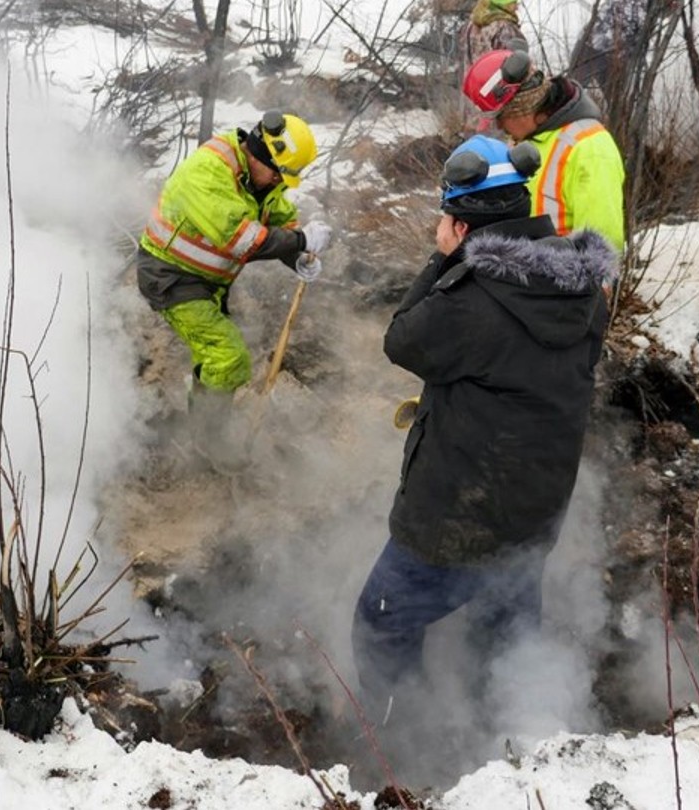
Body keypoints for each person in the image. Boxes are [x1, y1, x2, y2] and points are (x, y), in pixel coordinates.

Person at [352, 134, 616, 716]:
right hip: (536, 507)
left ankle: (396, 738)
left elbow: (402, 340)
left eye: (447, 223)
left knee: (381, 621)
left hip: (460, 515)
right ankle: (508, 736)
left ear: (462, 226)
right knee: (505, 633)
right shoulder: (582, 288)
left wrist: (444, 260)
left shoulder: (468, 302)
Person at [136, 111, 331, 437]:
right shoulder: (208, 172)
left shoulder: (259, 178)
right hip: (170, 276)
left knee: (214, 357)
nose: (280, 183)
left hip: (208, 282)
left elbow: (280, 219)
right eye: (279, 174)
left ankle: (201, 417)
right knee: (227, 357)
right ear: (259, 153)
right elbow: (242, 240)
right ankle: (208, 440)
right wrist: (301, 240)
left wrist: (297, 257)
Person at [461, 48, 626, 252]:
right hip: (523, 270)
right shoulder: (526, 141)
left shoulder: (589, 147)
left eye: (501, 118)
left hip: (560, 272)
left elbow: (602, 248)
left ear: (522, 107)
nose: (500, 127)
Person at [567, 0, 648, 108]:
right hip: (592, 45)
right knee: (568, 96)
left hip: (614, 54)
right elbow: (634, 22)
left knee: (618, 105)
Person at [460, 0, 526, 74]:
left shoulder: (471, 26)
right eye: (513, 3)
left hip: (475, 79)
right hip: (499, 80)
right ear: (502, 4)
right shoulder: (504, 27)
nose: (517, 8)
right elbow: (516, 66)